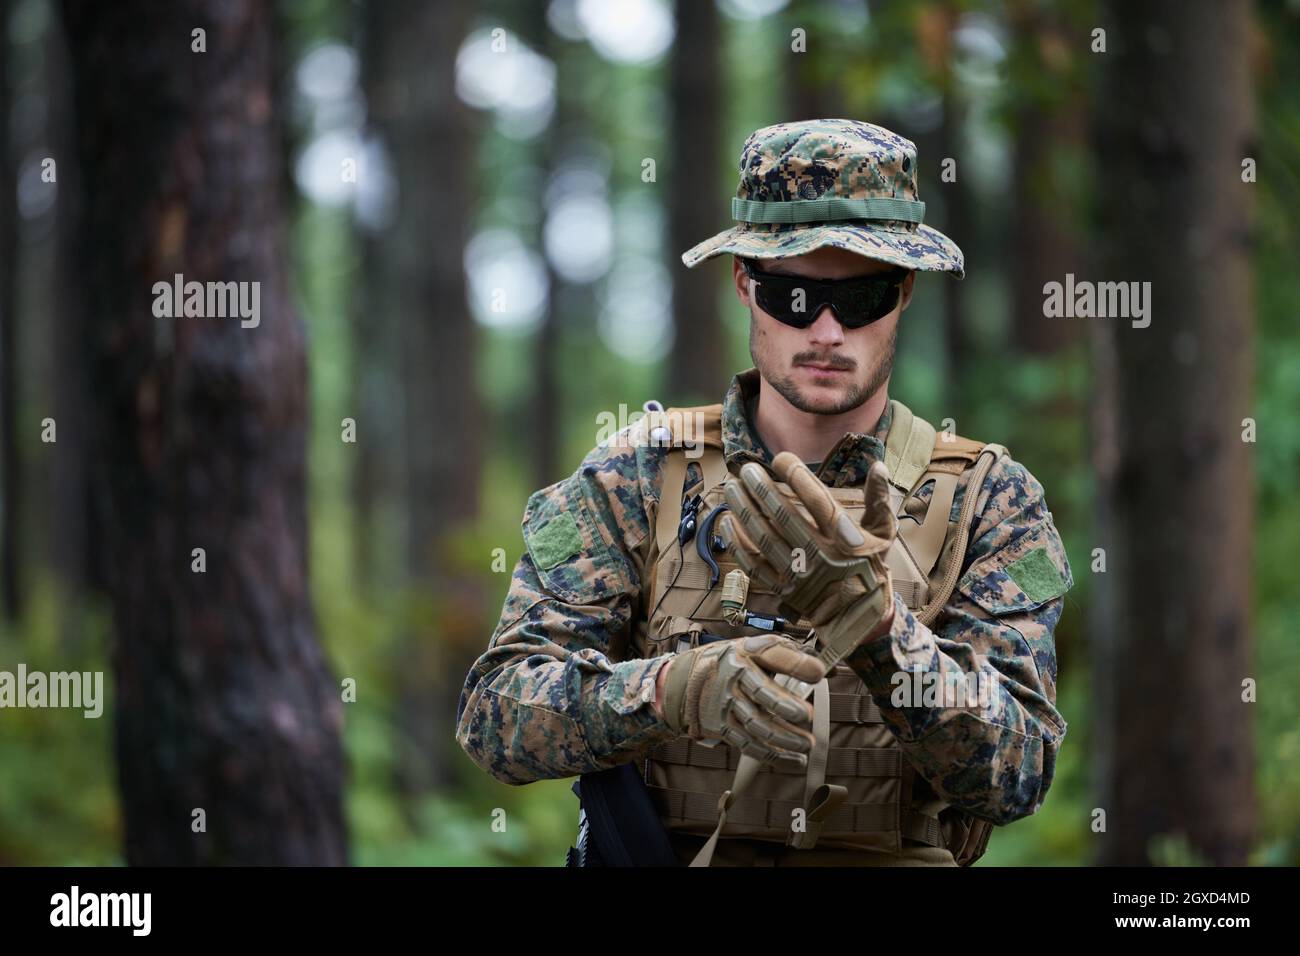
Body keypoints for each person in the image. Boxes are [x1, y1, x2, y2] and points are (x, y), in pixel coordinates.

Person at [456, 119, 1072, 867]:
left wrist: (879, 631)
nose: (827, 331)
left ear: (904, 292)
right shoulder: (638, 477)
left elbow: (1019, 770)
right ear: (745, 283)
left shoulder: (991, 501)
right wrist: (671, 691)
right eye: (792, 295)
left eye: (863, 295)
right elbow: (495, 717)